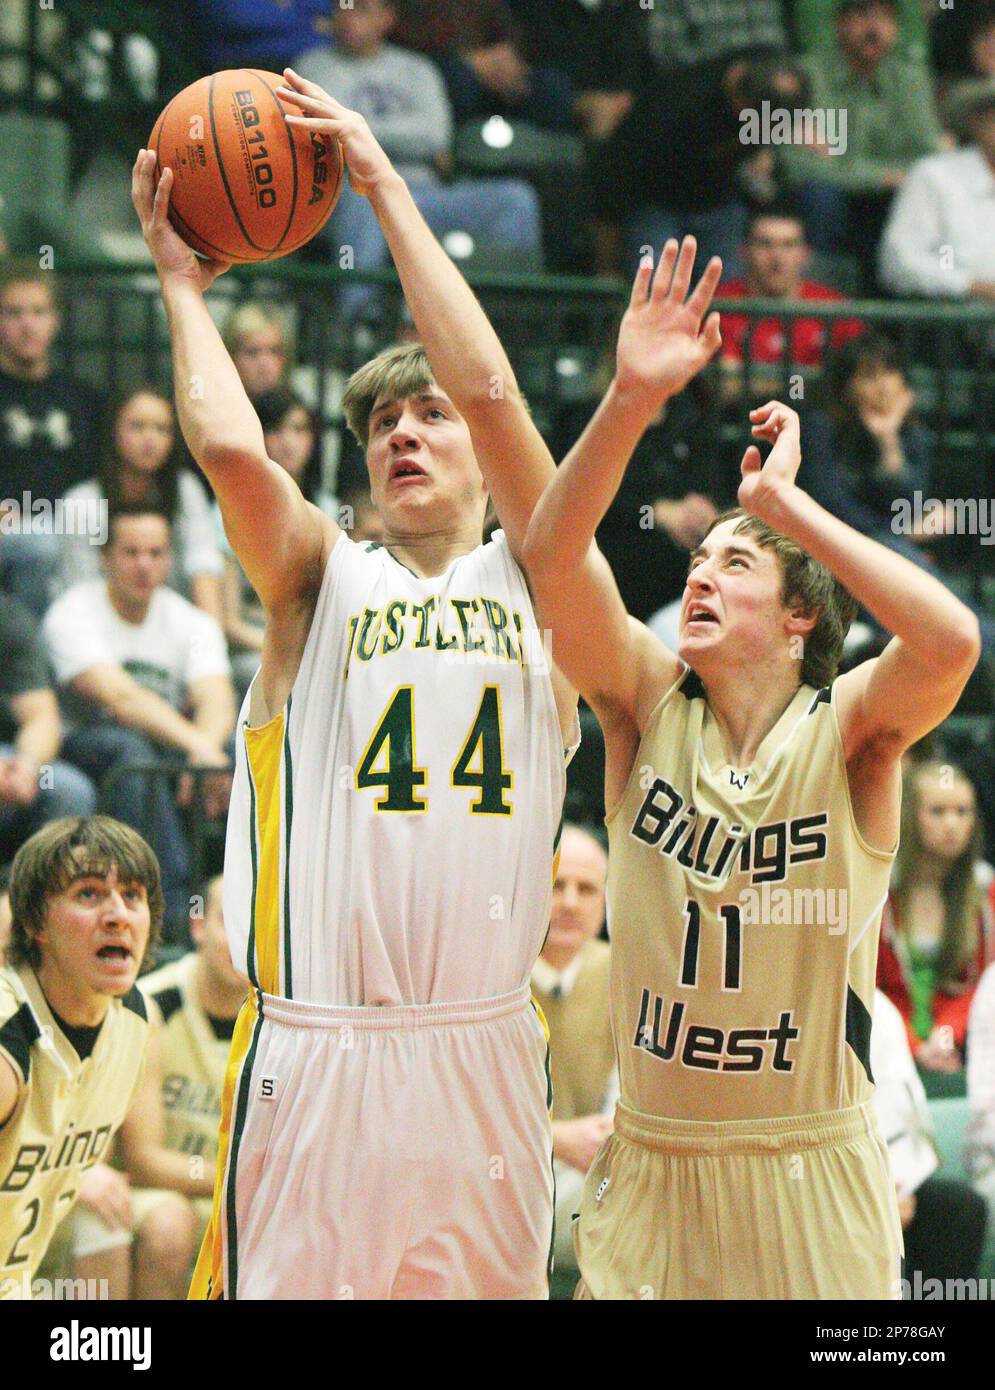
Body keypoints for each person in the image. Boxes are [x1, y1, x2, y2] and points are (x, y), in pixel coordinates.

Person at [131, 65, 578, 1300]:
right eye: (380, 424)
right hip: (316, 1046)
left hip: (483, 1048)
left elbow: (492, 390)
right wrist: (180, 284)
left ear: (479, 456)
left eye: (428, 417)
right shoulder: (317, 576)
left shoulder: (544, 579)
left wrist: (379, 184)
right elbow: (224, 446)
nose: (403, 435)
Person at [521, 236, 981, 1299]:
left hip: (808, 1163)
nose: (699, 577)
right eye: (694, 560)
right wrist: (629, 399)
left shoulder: (851, 729)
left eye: (733, 564)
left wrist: (785, 510)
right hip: (655, 1155)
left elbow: (951, 640)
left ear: (796, 618)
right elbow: (549, 562)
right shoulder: (642, 700)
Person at [43, 506, 235, 936]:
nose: (144, 565)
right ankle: (168, 917)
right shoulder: (72, 613)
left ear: (170, 559)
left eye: (156, 553)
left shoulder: (190, 620)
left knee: (229, 752)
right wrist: (196, 747)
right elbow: (121, 698)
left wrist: (202, 752)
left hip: (168, 745)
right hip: (86, 746)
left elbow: (217, 697)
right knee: (136, 751)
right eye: (130, 553)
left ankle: (233, 909)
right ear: (104, 558)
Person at [294, 0, 543, 322]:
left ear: (387, 18)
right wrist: (372, 136)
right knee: (365, 203)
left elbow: (434, 136)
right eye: (343, 8)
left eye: (362, 9)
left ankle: (509, 324)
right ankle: (358, 325)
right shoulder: (314, 68)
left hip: (424, 195)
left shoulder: (417, 68)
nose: (348, 17)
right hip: (354, 190)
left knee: (515, 200)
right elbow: (325, 134)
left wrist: (357, 129)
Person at [0, 816, 157, 1300]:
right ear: (33, 923)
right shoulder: (9, 1043)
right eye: (88, 894)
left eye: (132, 895)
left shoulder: (134, 1020)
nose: (118, 915)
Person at [780, 0, 943, 285]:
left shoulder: (910, 79)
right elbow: (797, 165)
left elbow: (927, 158)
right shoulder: (806, 76)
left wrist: (848, 168)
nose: (873, 27)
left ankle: (901, 316)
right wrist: (882, 175)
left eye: (885, 17)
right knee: (821, 197)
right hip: (824, 200)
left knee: (918, 203)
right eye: (862, 15)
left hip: (887, 201)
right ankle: (822, 307)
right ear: (839, 24)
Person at [55, 386, 224, 623]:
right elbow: (80, 591)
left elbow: (203, 563)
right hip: (97, 629)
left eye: (161, 429)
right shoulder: (80, 503)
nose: (150, 439)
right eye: (137, 427)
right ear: (114, 432)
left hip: (173, 625)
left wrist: (211, 642)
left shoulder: (185, 490)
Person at [530, 824, 616, 1287]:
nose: (569, 903)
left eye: (586, 890)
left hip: (600, 1189)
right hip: (506, 1187)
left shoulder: (629, 977)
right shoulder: (492, 982)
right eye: (556, 885)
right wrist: (555, 1138)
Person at [0, 262, 104, 618]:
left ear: (55, 320)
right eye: (14, 313)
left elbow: (98, 474)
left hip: (72, 526)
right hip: (8, 526)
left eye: (38, 312)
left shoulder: (81, 398)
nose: (27, 324)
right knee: (43, 546)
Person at [877, 760, 995, 1071]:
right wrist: (913, 1046)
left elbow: (984, 988)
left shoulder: (986, 894)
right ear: (908, 816)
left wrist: (942, 1039)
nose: (952, 824)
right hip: (884, 1052)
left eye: (962, 811)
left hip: (964, 1052)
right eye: (938, 812)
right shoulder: (879, 894)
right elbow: (868, 991)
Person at [872, 987, 989, 1288]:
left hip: (893, 1180)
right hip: (831, 1183)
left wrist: (899, 1184)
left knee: (959, 1210)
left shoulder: (879, 1008)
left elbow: (903, 1107)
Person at [717, 202, 864, 403]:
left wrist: (765, 381)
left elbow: (854, 382)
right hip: (740, 419)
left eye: (789, 245)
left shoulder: (834, 308)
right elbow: (727, 388)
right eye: (765, 244)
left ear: (805, 254)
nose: (777, 257)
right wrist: (805, 381)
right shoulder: (722, 305)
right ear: (744, 251)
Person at [878, 76, 995, 302]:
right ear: (977, 121)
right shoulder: (937, 176)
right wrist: (970, 285)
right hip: (957, 323)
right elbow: (900, 260)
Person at [0, 595, 96, 864]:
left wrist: (26, 765)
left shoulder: (8, 619)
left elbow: (42, 716)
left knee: (66, 788)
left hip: (6, 756)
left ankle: (34, 897)